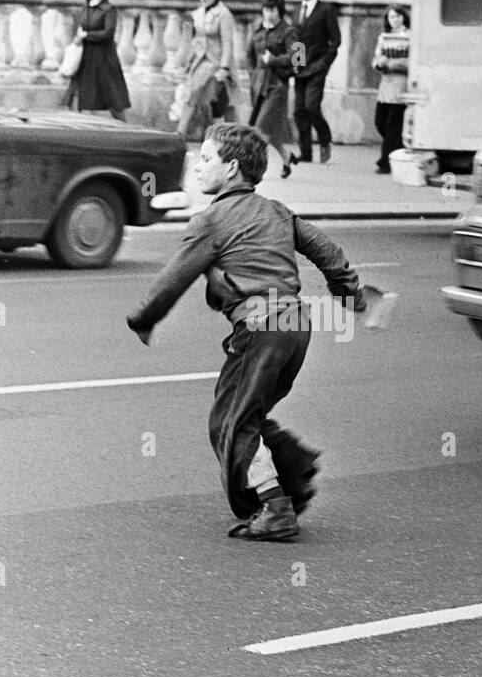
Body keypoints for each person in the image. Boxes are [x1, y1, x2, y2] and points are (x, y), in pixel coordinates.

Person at [126, 121, 372, 541]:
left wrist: (143, 318)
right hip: (296, 326)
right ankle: (292, 470)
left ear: (233, 168)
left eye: (206, 159)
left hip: (260, 329)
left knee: (231, 422)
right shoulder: (278, 212)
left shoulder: (212, 221)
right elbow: (328, 252)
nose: (197, 167)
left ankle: (277, 507)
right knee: (247, 415)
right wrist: (350, 293)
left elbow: (174, 278)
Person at [65, 0, 130, 122]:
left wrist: (87, 35)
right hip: (86, 57)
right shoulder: (87, 6)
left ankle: (125, 128)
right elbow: (80, 27)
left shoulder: (108, 9)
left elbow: (108, 33)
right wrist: (78, 39)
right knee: (80, 94)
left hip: (103, 58)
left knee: (111, 96)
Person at [246, 0, 299, 179]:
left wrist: (273, 60)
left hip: (277, 86)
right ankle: (287, 157)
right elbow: (249, 56)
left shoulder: (289, 31)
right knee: (270, 130)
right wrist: (253, 75)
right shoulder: (258, 30)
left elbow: (298, 59)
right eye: (266, 10)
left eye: (273, 10)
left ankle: (252, 168)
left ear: (280, 11)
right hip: (259, 86)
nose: (269, 14)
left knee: (259, 128)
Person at [178, 0, 237, 142]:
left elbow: (227, 42)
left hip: (215, 64)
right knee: (194, 96)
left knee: (214, 102)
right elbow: (191, 37)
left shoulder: (224, 14)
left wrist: (224, 67)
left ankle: (223, 135)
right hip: (200, 62)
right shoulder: (198, 13)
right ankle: (182, 133)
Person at [292, 0, 341, 164]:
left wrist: (324, 63)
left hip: (317, 65)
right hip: (300, 66)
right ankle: (305, 152)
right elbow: (296, 38)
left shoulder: (326, 11)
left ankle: (324, 139)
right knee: (299, 109)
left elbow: (335, 41)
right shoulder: (297, 10)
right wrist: (296, 63)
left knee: (311, 106)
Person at [371, 5, 411, 173]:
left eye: (397, 16)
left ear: (404, 17)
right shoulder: (384, 36)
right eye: (391, 17)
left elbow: (412, 61)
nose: (394, 20)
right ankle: (396, 149)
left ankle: (385, 161)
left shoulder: (410, 36)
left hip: (401, 83)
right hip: (386, 84)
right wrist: (379, 64)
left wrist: (394, 63)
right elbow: (377, 57)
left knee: (392, 124)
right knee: (380, 121)